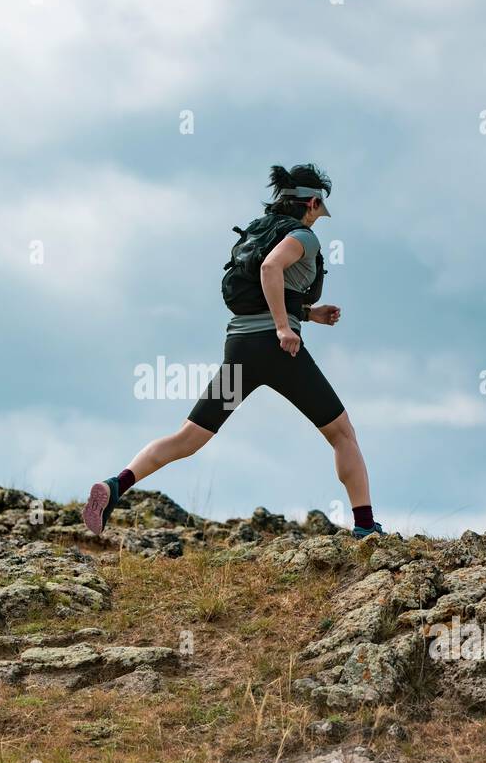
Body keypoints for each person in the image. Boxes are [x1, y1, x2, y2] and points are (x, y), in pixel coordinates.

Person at [83, 163, 384, 539]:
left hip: (240, 347)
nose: (319, 219)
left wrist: (308, 314)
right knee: (342, 433)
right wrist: (283, 327)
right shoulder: (303, 237)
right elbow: (271, 269)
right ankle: (365, 527)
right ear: (311, 204)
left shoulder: (259, 230)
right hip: (277, 350)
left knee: (188, 438)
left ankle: (115, 486)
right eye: (319, 212)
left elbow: (265, 287)